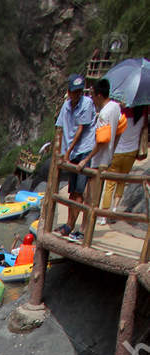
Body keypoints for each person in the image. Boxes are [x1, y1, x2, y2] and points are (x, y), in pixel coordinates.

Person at [56, 72, 96, 237]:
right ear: (69, 91)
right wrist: (59, 150)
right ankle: (69, 224)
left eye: (80, 91)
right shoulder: (66, 106)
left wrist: (68, 151)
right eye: (74, 92)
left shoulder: (87, 104)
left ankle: (70, 226)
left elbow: (80, 130)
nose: (77, 95)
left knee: (79, 191)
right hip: (71, 151)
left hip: (83, 149)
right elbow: (59, 127)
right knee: (72, 191)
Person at [103, 103, 147, 209]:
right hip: (132, 151)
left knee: (110, 183)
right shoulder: (143, 113)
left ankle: (104, 213)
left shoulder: (123, 112)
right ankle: (115, 209)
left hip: (117, 151)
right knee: (122, 180)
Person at [90, 77, 124, 209]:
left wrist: (87, 158)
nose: (92, 99)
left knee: (92, 198)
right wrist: (113, 148)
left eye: (93, 96)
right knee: (97, 196)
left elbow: (101, 141)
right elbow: (121, 128)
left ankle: (86, 228)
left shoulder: (104, 113)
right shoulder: (116, 107)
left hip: (99, 160)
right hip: (107, 157)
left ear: (99, 95)